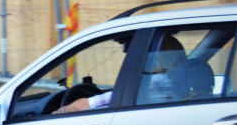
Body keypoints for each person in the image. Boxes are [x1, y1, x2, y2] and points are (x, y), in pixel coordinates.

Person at [58, 34, 186, 113]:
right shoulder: (179, 85)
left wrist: (61, 111)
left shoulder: (153, 83)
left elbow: (85, 106)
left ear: (153, 61)